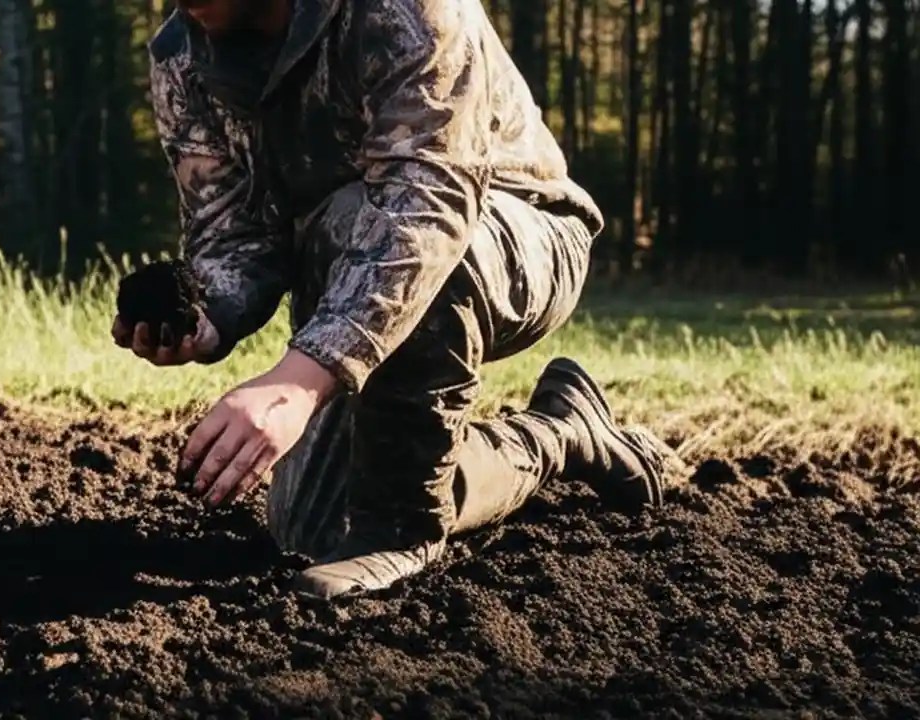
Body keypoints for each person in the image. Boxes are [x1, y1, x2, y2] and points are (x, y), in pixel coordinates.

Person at [111, 0, 685, 599]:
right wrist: (204, 317)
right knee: (316, 529)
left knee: (382, 226)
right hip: (344, 266)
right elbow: (234, 230)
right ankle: (559, 435)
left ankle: (401, 530)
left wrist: (300, 381)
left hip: (511, 231)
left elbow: (430, 206)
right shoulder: (182, 58)